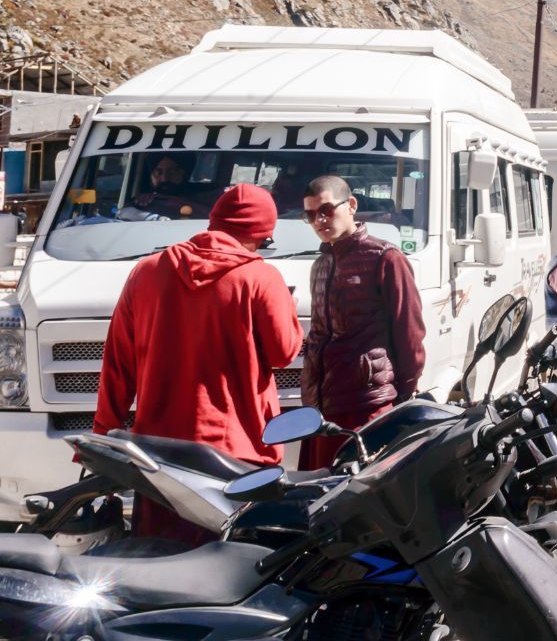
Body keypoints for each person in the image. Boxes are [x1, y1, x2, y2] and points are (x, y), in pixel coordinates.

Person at [93, 183, 302, 543]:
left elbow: (117, 362)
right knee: (229, 573)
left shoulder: (147, 271)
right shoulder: (261, 278)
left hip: (158, 454)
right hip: (236, 453)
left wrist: (101, 439)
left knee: (157, 562)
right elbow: (284, 352)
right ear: (261, 233)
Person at [299, 174, 426, 470]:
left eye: (326, 210)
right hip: (323, 406)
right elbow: (318, 335)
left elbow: (409, 332)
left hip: (368, 403)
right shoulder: (320, 264)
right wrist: (309, 393)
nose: (319, 220)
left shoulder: (386, 257)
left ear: (351, 205)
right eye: (310, 215)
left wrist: (406, 392)